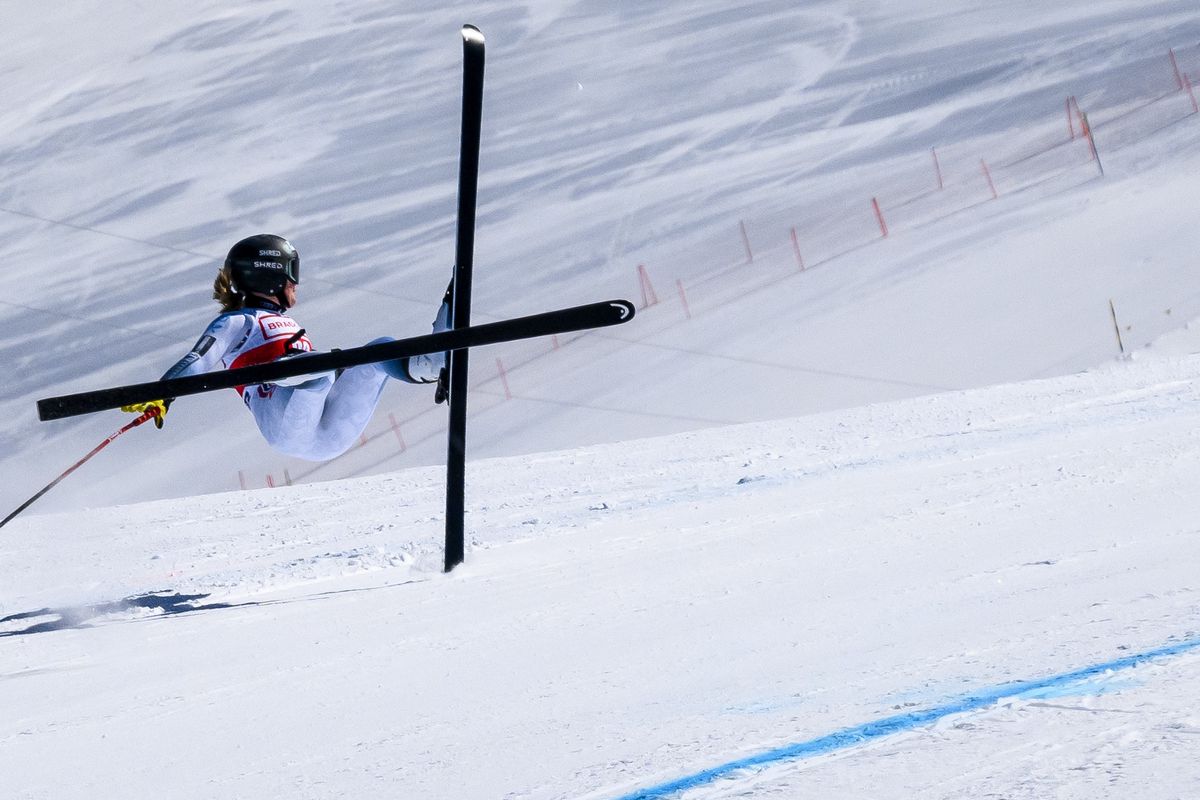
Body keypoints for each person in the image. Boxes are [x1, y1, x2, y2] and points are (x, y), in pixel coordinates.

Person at [123, 234, 449, 461]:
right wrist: (163, 393)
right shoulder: (239, 322)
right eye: (291, 272)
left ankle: (436, 363)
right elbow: (199, 358)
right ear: (270, 276)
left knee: (379, 351)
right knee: (317, 372)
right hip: (284, 427)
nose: (296, 283)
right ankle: (305, 366)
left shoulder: (286, 324)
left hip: (329, 434)